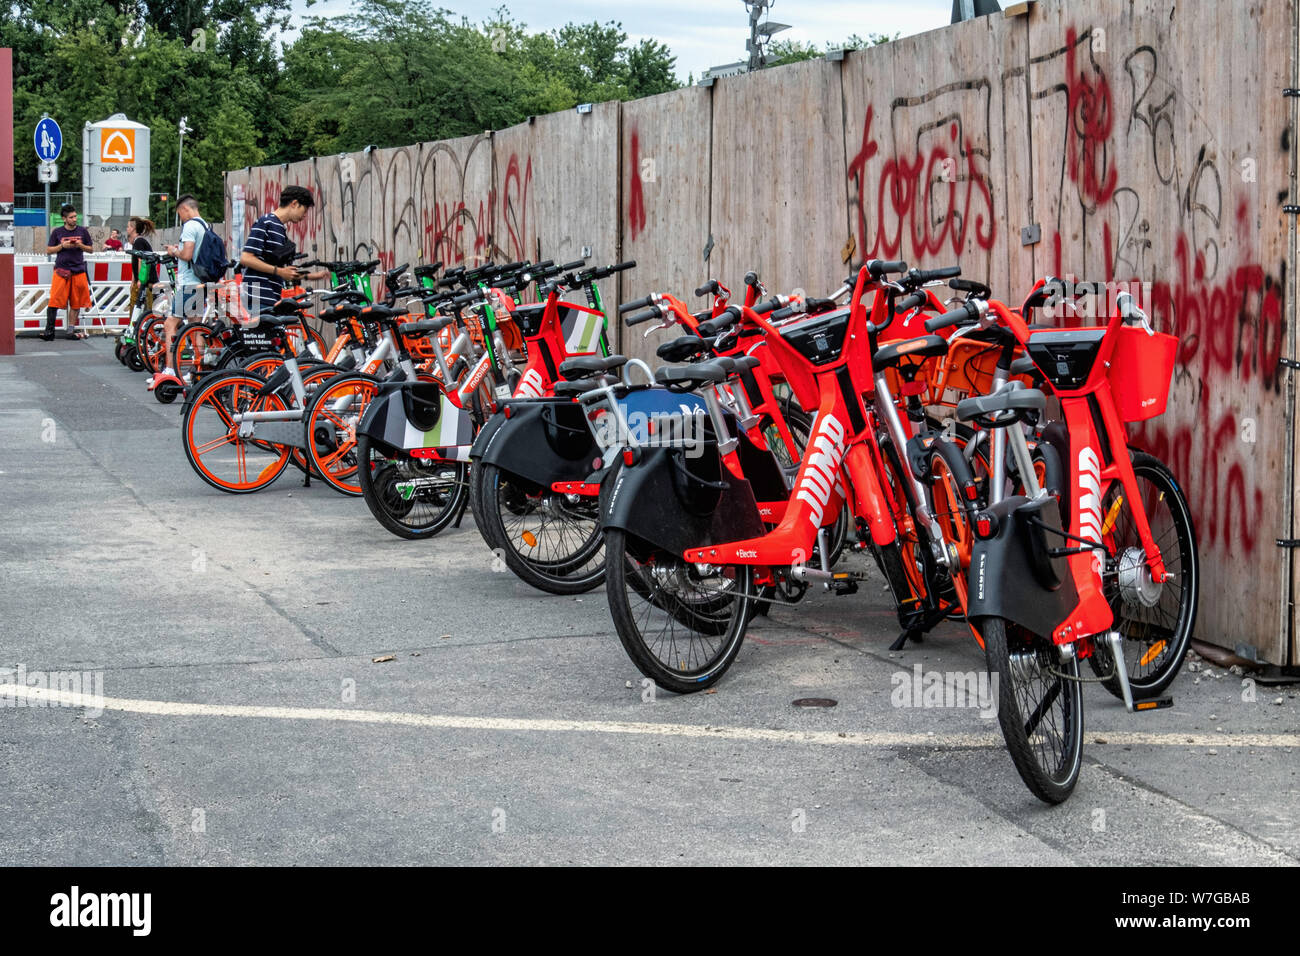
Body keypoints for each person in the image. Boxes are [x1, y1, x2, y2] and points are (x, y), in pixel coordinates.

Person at [239, 185, 329, 318]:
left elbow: (282, 270)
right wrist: (279, 271)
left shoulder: (280, 229)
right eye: (304, 210)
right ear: (294, 204)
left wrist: (310, 276)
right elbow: (246, 258)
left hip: (270, 296)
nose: (305, 216)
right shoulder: (265, 222)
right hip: (258, 295)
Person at [156, 196, 206, 384]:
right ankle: (197, 371)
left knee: (170, 324)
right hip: (199, 282)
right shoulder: (204, 225)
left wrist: (173, 251)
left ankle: (170, 369)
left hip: (188, 283)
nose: (181, 218)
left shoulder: (190, 226)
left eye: (180, 214)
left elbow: (187, 254)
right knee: (195, 328)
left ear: (185, 209)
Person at [44, 203, 94, 340]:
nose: (74, 219)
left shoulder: (83, 231)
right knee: (54, 300)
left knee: (76, 302)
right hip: (61, 270)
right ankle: (49, 331)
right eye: (71, 217)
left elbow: (91, 249)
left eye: (75, 216)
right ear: (64, 219)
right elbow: (49, 250)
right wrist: (62, 246)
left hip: (78, 270)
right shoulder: (57, 232)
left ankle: (70, 330)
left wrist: (80, 245)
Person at [126, 217, 157, 317]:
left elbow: (140, 260)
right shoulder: (139, 241)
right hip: (145, 281)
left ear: (133, 228)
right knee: (139, 306)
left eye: (128, 226)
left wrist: (140, 280)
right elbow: (135, 263)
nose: (127, 229)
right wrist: (133, 281)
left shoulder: (139, 242)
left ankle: (136, 324)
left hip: (146, 282)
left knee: (139, 307)